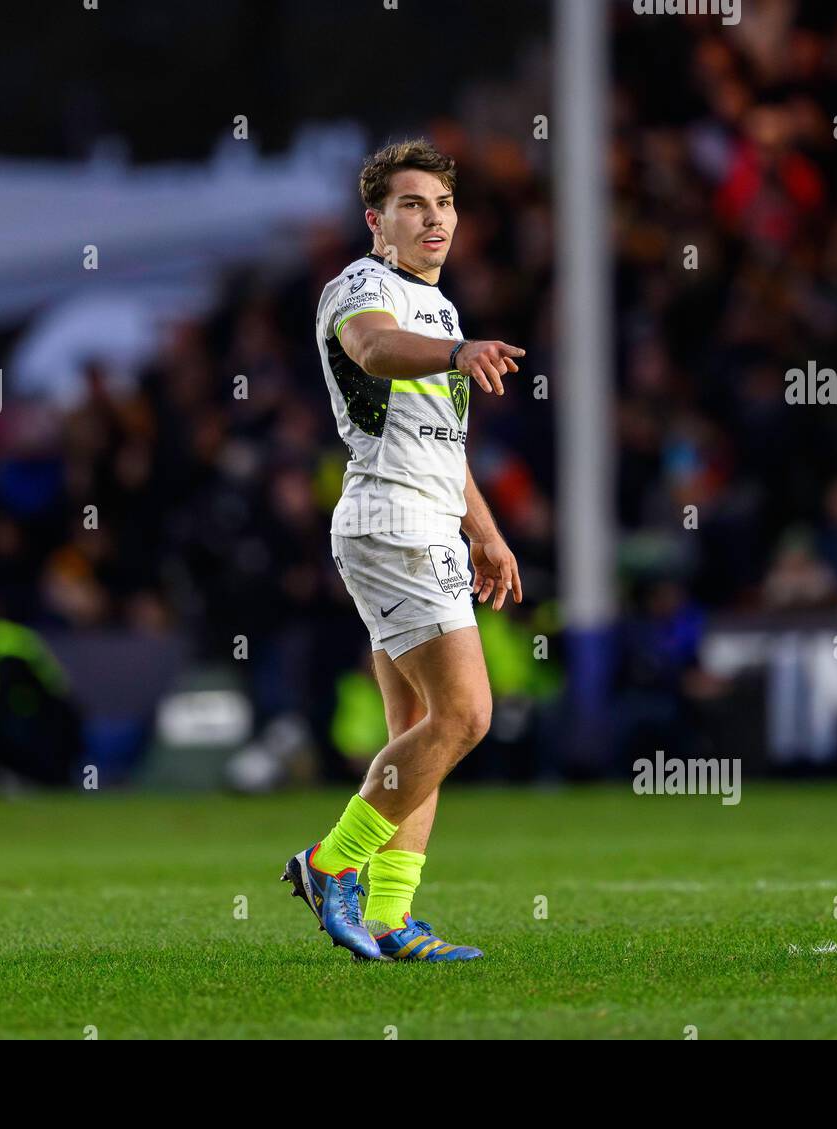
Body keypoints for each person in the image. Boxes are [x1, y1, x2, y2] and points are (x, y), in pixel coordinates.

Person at [281, 139, 526, 962]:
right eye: (413, 204)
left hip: (428, 518)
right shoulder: (361, 286)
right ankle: (330, 862)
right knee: (467, 714)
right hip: (390, 519)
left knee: (418, 724)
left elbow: (443, 443)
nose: (433, 219)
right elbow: (377, 353)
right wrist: (459, 354)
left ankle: (389, 917)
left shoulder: (441, 306)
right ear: (376, 220)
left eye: (444, 205)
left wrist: (485, 532)